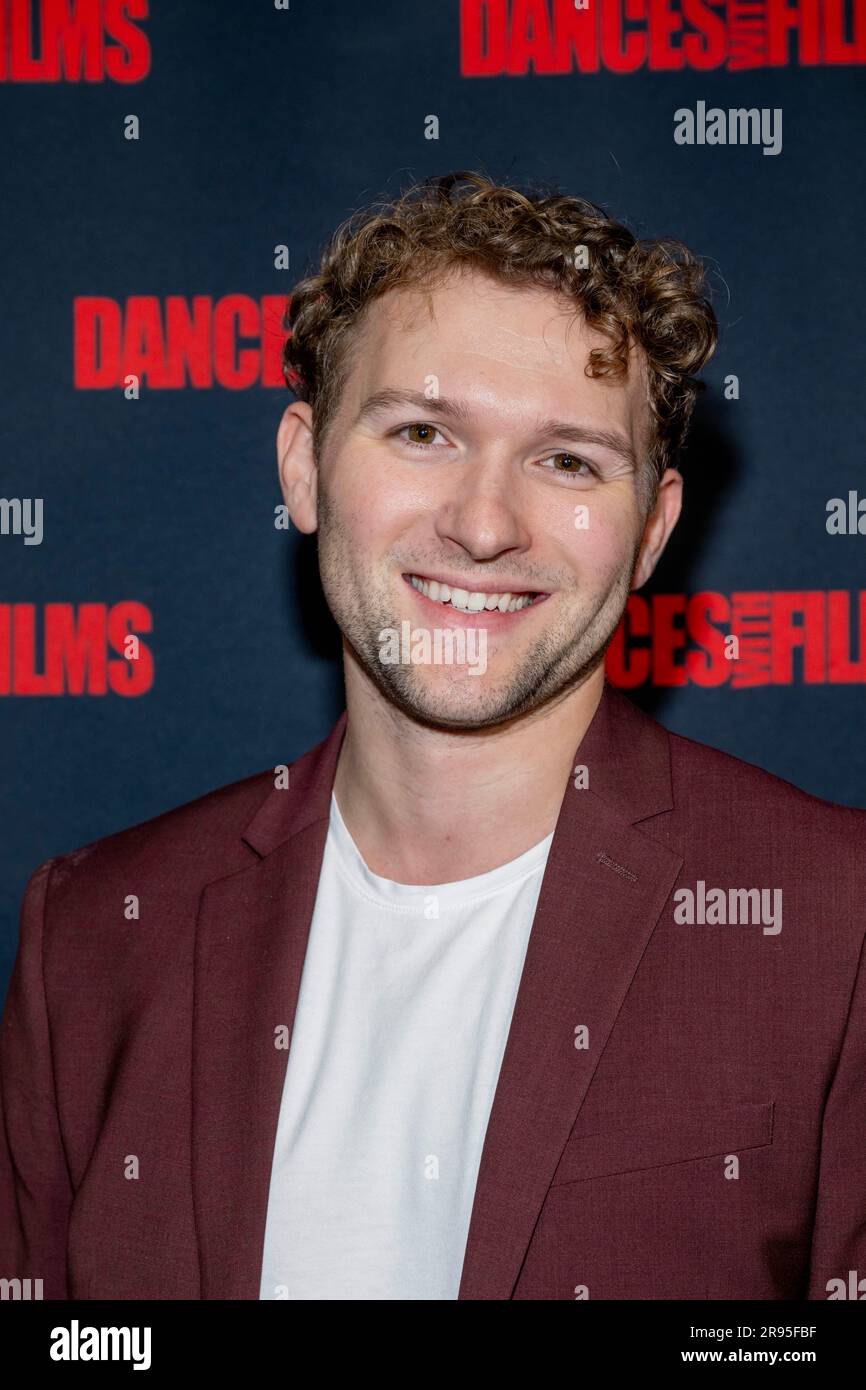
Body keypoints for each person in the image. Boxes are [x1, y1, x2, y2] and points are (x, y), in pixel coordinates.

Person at [1, 172, 864, 1302]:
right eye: (420, 431)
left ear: (650, 530)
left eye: (565, 460)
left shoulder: (832, 924)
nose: (481, 522)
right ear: (303, 465)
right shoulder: (94, 937)